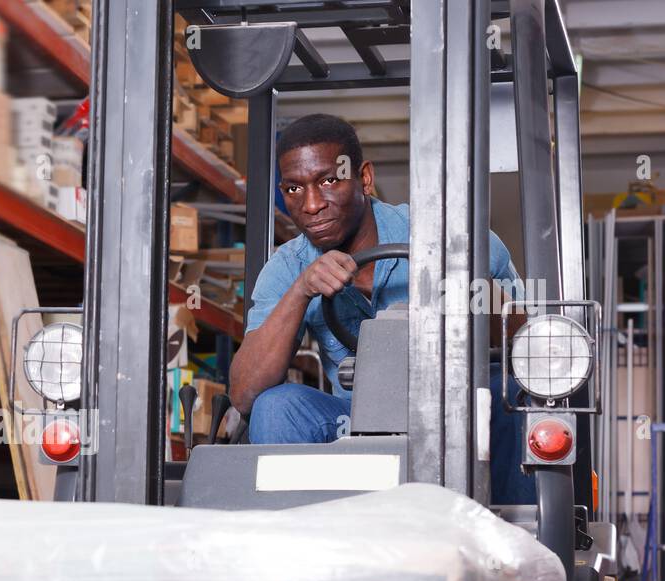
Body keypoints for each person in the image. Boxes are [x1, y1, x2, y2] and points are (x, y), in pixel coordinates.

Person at [228, 113, 534, 504]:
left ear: (364, 178)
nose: (311, 204)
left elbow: (528, 348)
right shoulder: (287, 267)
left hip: (459, 411)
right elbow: (244, 394)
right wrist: (301, 290)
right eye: (292, 189)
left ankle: (510, 543)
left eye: (328, 181)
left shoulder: (453, 235)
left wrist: (460, 277)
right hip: (354, 420)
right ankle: (296, 550)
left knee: (514, 394)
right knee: (275, 407)